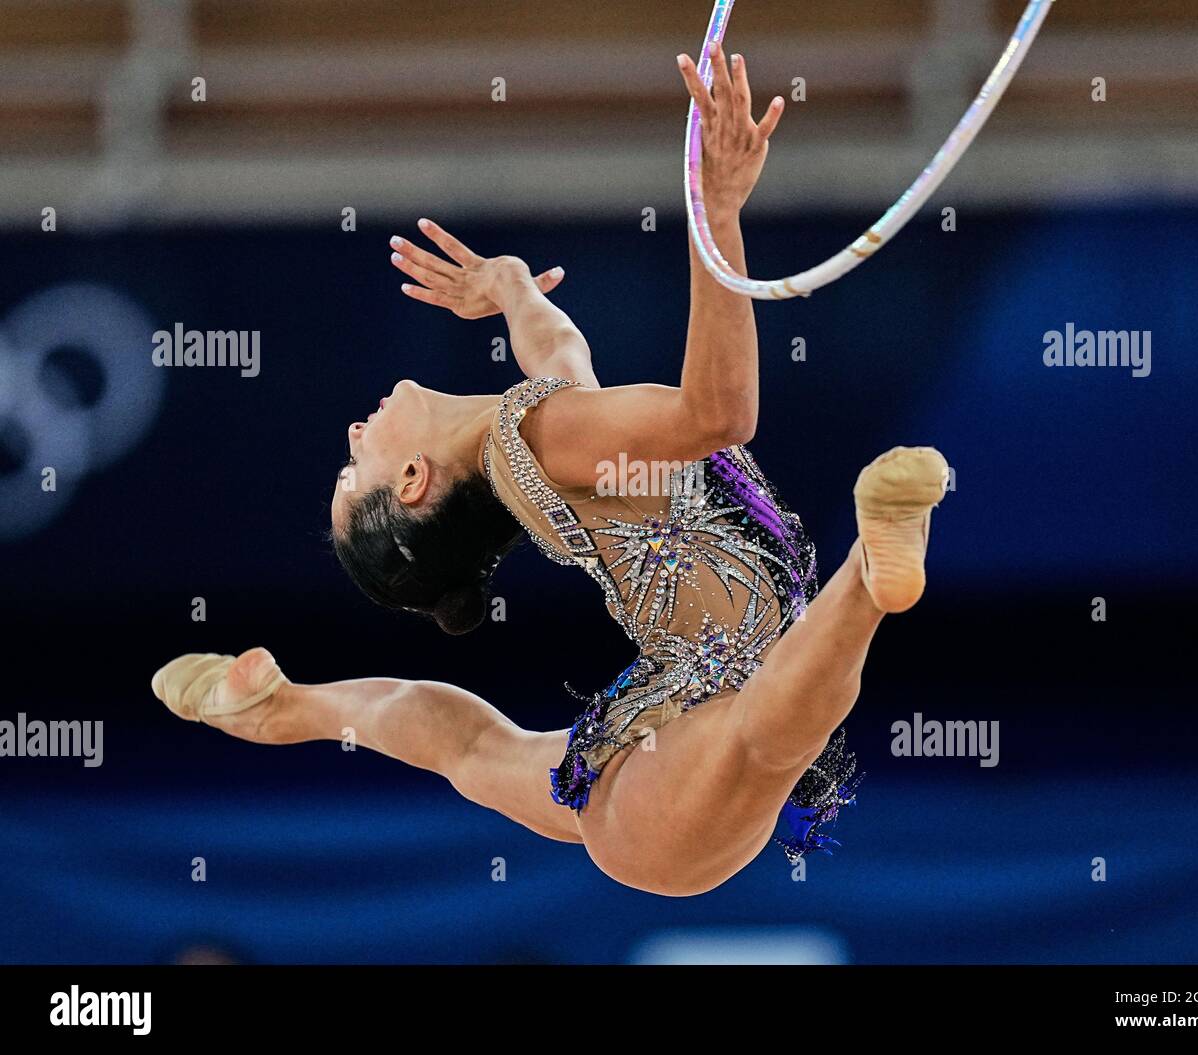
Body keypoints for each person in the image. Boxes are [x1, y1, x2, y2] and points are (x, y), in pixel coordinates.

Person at [151, 44, 948, 896]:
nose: (352, 431)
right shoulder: (536, 443)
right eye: (355, 469)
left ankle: (285, 708)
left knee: (465, 745)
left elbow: (561, 358)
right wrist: (716, 215)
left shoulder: (528, 440)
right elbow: (717, 414)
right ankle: (871, 572)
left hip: (664, 751)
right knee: (763, 730)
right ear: (414, 480)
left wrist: (512, 287)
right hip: (694, 750)